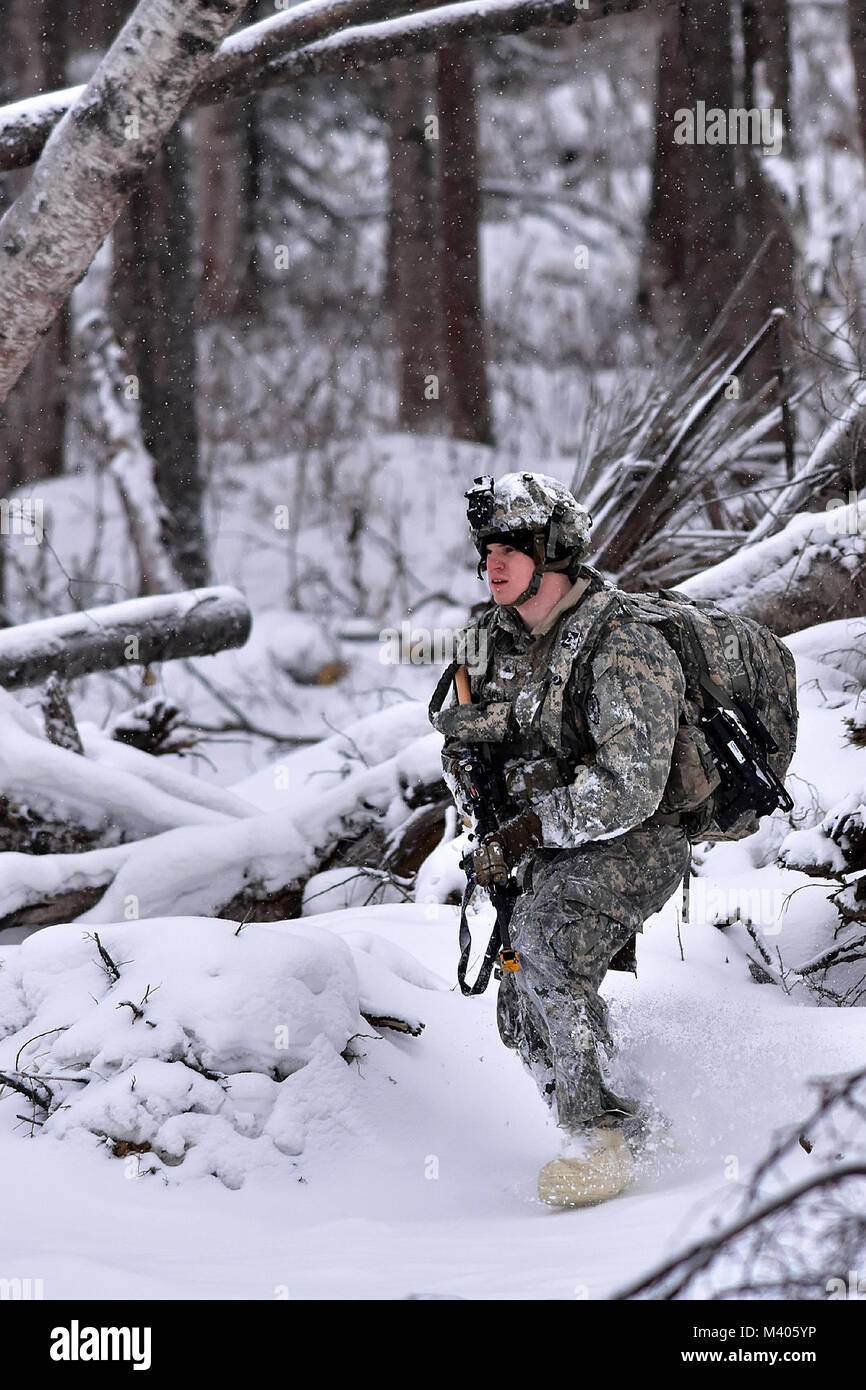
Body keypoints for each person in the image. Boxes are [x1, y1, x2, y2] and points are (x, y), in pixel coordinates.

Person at [431, 472, 691, 1206]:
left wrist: (525, 829)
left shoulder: (623, 641)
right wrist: (486, 810)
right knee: (517, 1004)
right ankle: (631, 1110)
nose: (494, 562)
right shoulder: (488, 641)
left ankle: (600, 1136)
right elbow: (457, 739)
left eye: (513, 546)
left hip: (637, 839)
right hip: (537, 847)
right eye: (487, 548)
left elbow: (631, 786)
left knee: (545, 944)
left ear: (555, 551)